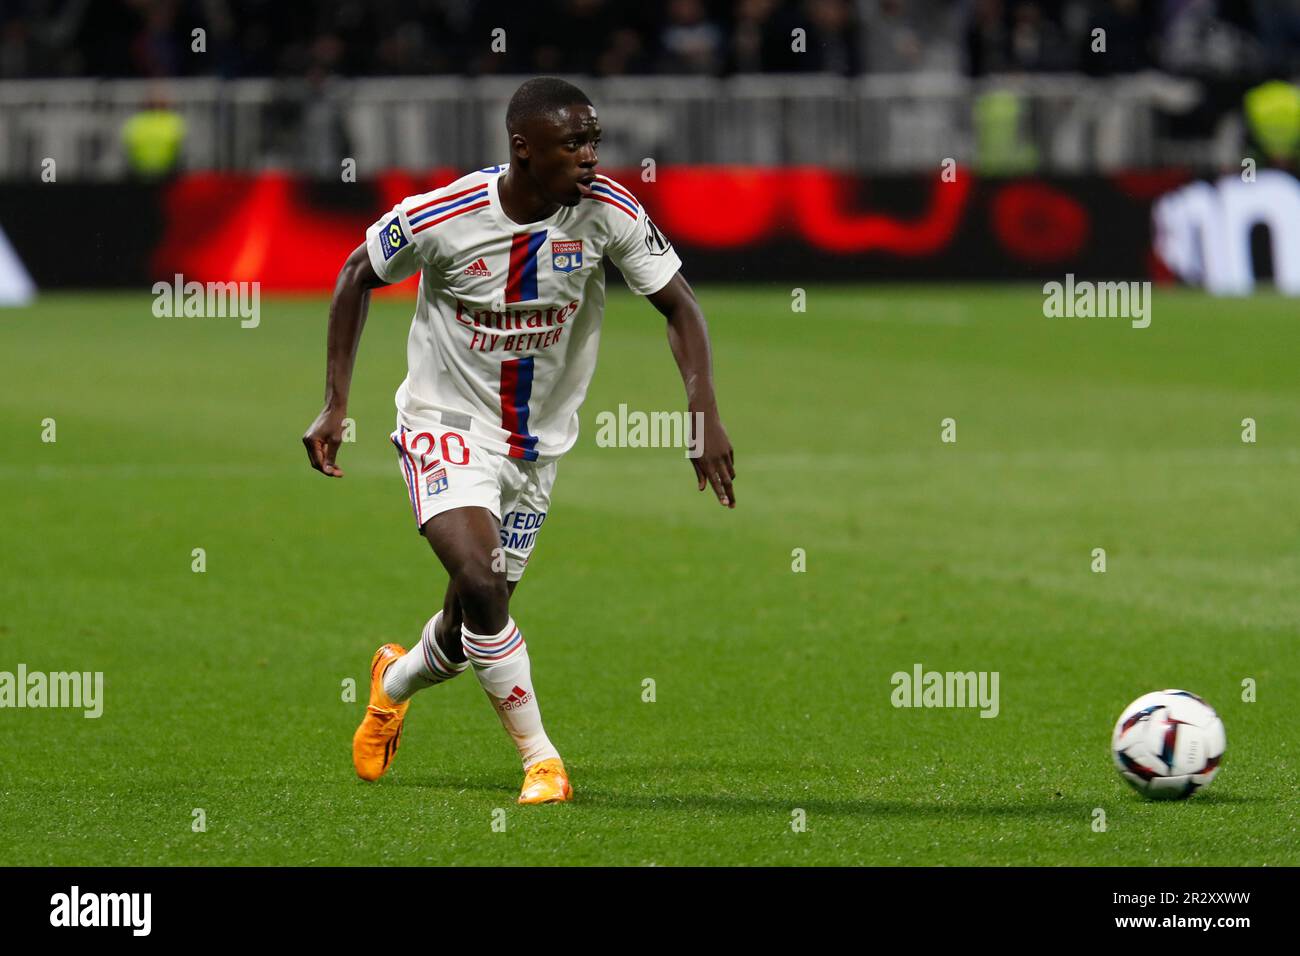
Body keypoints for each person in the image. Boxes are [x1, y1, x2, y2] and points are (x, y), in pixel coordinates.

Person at [301, 77, 736, 804]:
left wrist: (703, 414)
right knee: (479, 582)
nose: (591, 158)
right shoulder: (444, 215)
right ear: (524, 149)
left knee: (468, 623)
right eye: (573, 145)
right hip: (443, 424)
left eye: (594, 141)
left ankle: (393, 680)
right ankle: (543, 761)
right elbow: (354, 274)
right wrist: (333, 404)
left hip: (537, 446)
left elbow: (679, 305)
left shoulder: (608, 211)